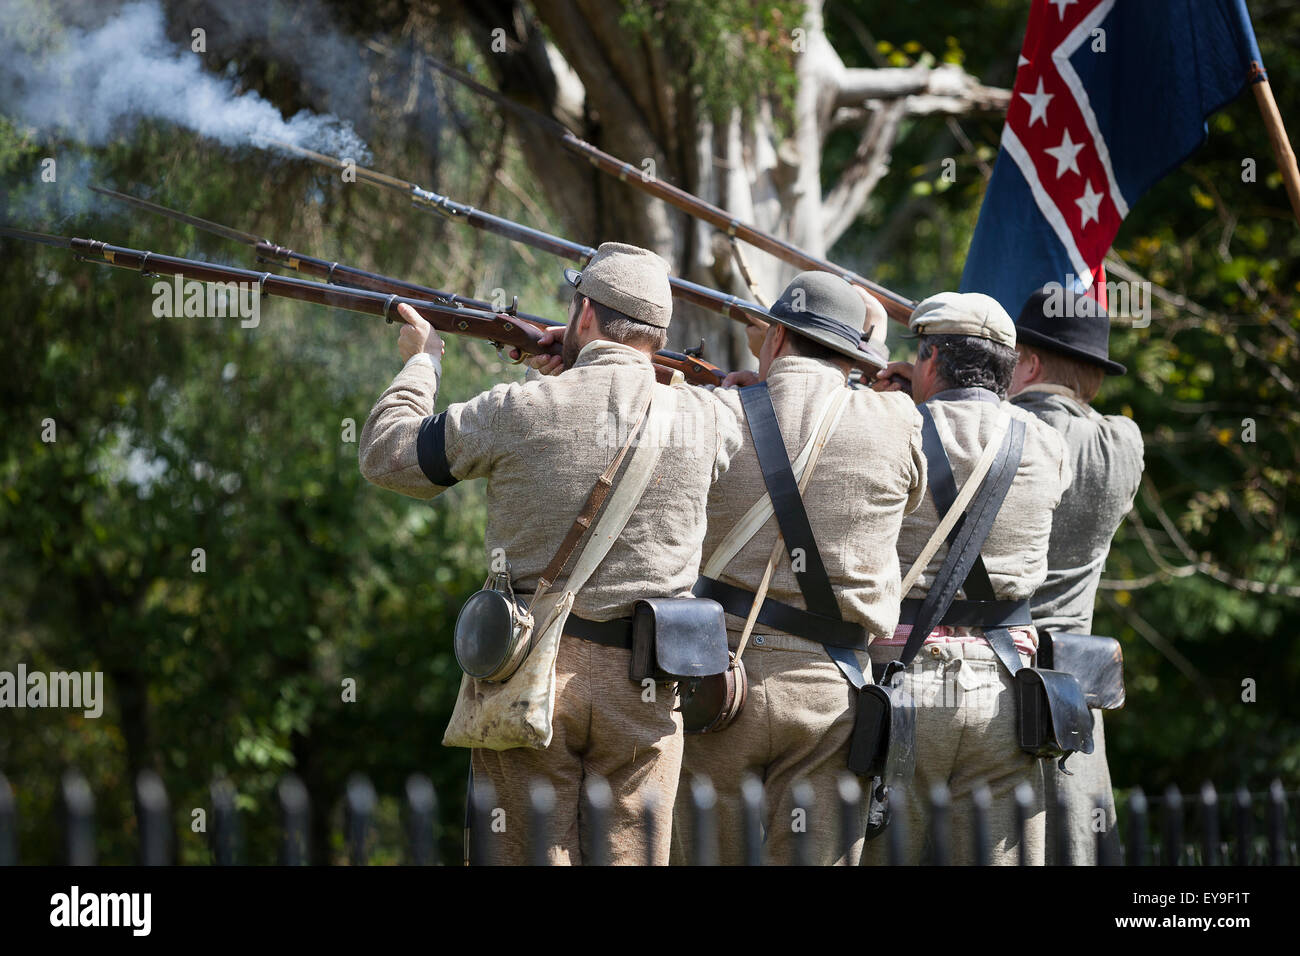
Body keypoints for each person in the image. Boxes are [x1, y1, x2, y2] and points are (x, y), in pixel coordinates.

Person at [357, 242, 742, 865]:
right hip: (647, 682)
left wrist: (421, 364)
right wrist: (592, 365)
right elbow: (650, 402)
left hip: (532, 675)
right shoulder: (708, 419)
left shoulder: (517, 406)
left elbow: (387, 454)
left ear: (583, 314)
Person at [674, 272, 927, 865]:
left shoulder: (718, 412)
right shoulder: (897, 420)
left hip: (718, 677)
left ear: (778, 337)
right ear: (855, 357)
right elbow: (911, 491)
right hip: (832, 687)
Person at [870, 292, 1073, 865]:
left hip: (900, 679)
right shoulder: (1047, 444)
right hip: (1010, 686)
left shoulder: (894, 427)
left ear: (929, 359)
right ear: (1008, 369)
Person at [1009, 287, 1144, 864]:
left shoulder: (1005, 430)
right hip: (1075, 686)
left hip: (994, 676)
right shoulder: (1123, 443)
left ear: (1031, 364)